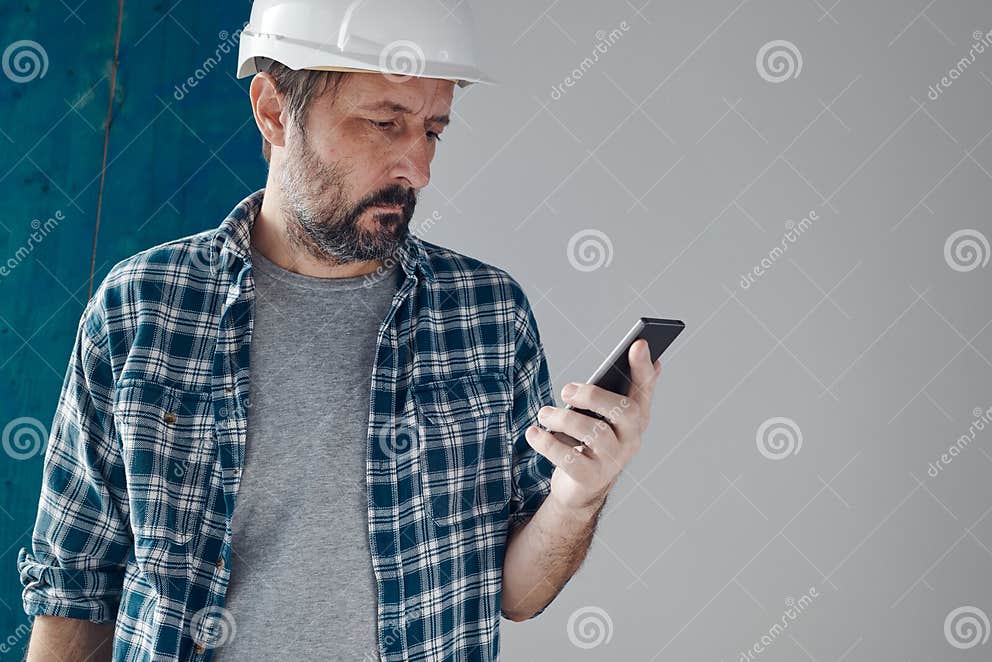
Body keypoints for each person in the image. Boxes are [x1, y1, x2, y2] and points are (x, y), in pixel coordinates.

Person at [17, 1, 664, 660]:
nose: (419, 168)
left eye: (434, 130)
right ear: (273, 109)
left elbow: (518, 593)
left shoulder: (488, 315)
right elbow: (74, 590)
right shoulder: (142, 308)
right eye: (385, 123)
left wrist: (579, 496)